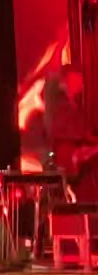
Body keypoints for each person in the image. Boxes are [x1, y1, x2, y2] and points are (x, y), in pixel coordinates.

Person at [44, 64, 98, 200]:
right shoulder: (60, 106)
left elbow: (85, 136)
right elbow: (70, 136)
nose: (81, 83)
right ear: (66, 81)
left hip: (76, 166)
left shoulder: (72, 106)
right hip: (68, 167)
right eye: (77, 79)